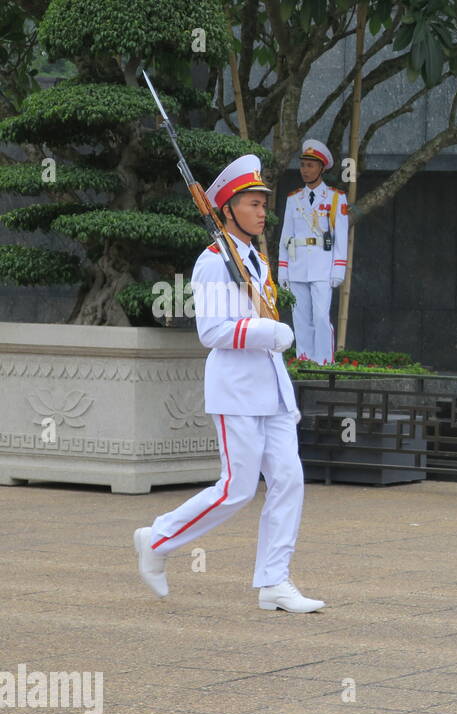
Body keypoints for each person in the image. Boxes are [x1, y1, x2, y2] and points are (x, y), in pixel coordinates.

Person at [133, 154, 325, 613]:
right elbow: (212, 331)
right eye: (253, 204)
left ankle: (275, 581)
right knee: (237, 487)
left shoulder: (254, 259)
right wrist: (266, 332)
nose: (262, 212)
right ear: (228, 208)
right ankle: (157, 538)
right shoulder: (214, 262)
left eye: (263, 204)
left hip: (270, 390)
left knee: (289, 480)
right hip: (237, 389)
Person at [277, 139, 349, 364]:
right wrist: (283, 268)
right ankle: (304, 359)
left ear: (321, 168)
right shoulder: (293, 198)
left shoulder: (336, 198)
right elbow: (286, 236)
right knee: (300, 318)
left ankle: (324, 361)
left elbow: (341, 236)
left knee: (320, 316)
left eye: (310, 165)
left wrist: (339, 268)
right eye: (303, 165)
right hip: (298, 264)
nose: (305, 170)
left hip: (322, 265)